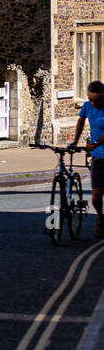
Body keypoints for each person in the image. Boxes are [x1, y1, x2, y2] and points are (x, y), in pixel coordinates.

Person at [71, 80, 104, 239]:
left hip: (98, 147)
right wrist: (75, 142)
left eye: (96, 100)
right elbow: (80, 121)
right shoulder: (87, 106)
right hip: (98, 157)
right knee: (96, 197)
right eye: (90, 99)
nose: (92, 102)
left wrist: (97, 143)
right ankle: (101, 219)